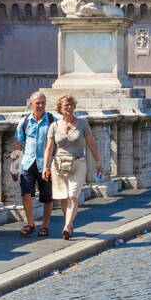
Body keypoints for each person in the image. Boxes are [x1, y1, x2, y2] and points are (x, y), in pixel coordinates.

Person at [42, 94, 104, 240]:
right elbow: (49, 149)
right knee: (63, 197)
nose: (69, 108)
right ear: (60, 109)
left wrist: (98, 162)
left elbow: (91, 143)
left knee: (73, 196)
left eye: (71, 105)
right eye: (66, 106)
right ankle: (69, 226)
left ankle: (66, 226)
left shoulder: (82, 123)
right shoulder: (54, 126)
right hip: (59, 164)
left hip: (78, 162)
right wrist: (46, 166)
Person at [13, 91, 56, 237]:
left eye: (43, 102)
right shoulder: (24, 121)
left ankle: (44, 225)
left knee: (47, 196)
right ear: (31, 104)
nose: (41, 105)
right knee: (26, 193)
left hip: (46, 164)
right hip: (28, 162)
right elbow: (18, 144)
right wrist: (14, 166)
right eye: (37, 103)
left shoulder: (52, 121)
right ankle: (30, 224)